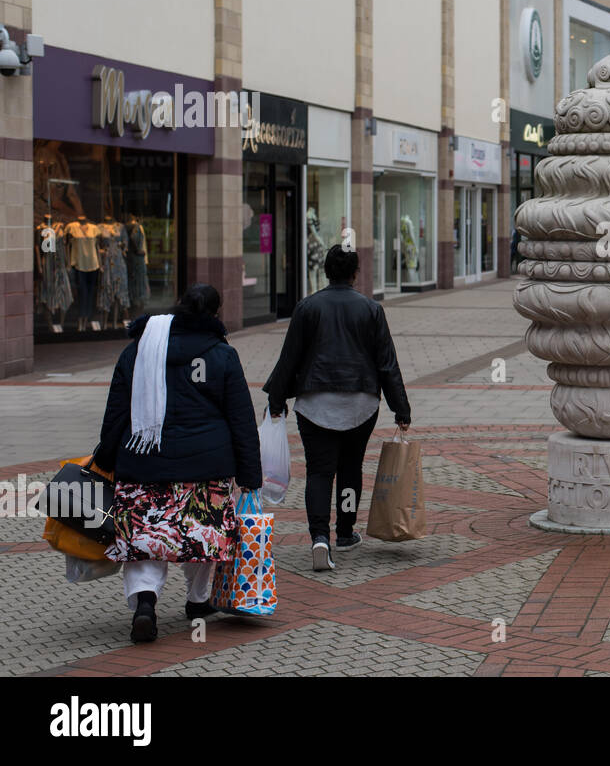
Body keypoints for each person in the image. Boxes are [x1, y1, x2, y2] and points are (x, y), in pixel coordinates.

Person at [93, 283, 262, 644]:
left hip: (143, 464)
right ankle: (198, 602)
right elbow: (241, 419)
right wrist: (250, 474)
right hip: (206, 467)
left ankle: (145, 603)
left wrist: (106, 455)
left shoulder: (139, 350)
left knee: (145, 538)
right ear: (214, 315)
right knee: (201, 535)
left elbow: (117, 410)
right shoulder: (222, 355)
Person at [264, 245, 411, 572]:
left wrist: (276, 401)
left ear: (327, 271)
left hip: (315, 403)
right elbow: (387, 364)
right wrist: (401, 409)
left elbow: (290, 358)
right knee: (350, 467)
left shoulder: (307, 307)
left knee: (319, 471)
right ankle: (345, 532)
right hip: (361, 402)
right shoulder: (371, 309)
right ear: (355, 273)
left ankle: (320, 538)